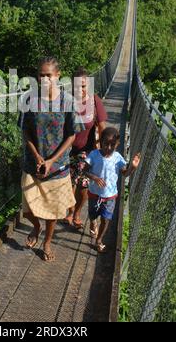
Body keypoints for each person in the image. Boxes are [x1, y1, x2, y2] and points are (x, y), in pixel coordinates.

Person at [19, 57, 84, 262]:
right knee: (28, 207)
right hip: (33, 164)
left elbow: (72, 135)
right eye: (41, 75)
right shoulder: (29, 99)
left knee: (54, 210)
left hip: (57, 167)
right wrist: (38, 157)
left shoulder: (68, 102)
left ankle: (47, 241)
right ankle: (36, 227)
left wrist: (51, 160)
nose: (44, 79)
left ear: (58, 76)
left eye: (49, 75)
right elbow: (26, 132)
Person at [82, 127, 141, 253]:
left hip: (110, 196)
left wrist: (132, 167)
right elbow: (84, 170)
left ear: (117, 144)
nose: (109, 147)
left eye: (112, 145)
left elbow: (125, 173)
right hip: (94, 193)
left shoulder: (118, 158)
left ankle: (99, 240)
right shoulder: (94, 155)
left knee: (106, 218)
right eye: (105, 144)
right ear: (100, 142)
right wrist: (94, 177)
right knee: (92, 214)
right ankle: (93, 222)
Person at [64, 68, 107, 230]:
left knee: (82, 184)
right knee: (68, 183)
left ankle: (75, 213)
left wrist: (104, 152)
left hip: (86, 150)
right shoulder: (66, 102)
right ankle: (70, 210)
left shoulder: (95, 102)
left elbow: (103, 128)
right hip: (66, 149)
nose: (80, 90)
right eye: (76, 86)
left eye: (83, 86)